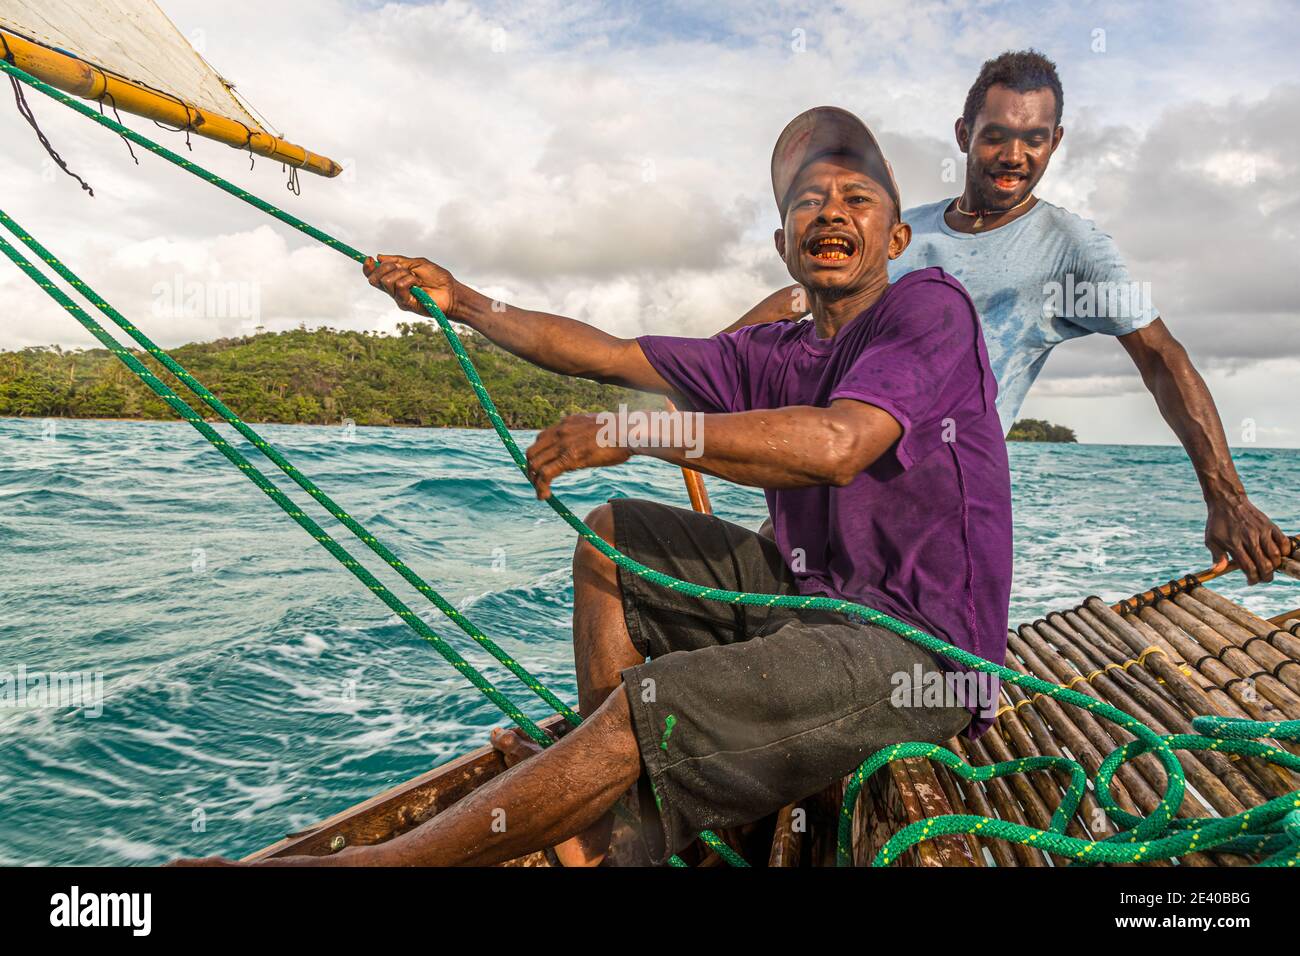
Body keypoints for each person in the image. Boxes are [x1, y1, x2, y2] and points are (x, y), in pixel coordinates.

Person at [177, 106, 1012, 868]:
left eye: (857, 199)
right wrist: (463, 299)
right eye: (808, 201)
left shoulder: (928, 310)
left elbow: (836, 445)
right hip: (807, 590)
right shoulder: (769, 351)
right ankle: (621, 794)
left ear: (897, 239)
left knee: (658, 703)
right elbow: (601, 351)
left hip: (923, 651)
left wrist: (630, 430)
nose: (830, 212)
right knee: (613, 537)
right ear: (783, 243)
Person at [730, 51, 1288, 584]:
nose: (1014, 155)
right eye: (995, 135)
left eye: (1034, 139)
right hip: (817, 493)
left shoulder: (1072, 250)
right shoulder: (903, 230)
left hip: (923, 525)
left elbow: (1162, 359)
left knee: (882, 667)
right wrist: (685, 369)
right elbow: (799, 302)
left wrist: (1227, 498)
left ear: (1056, 142)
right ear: (963, 135)